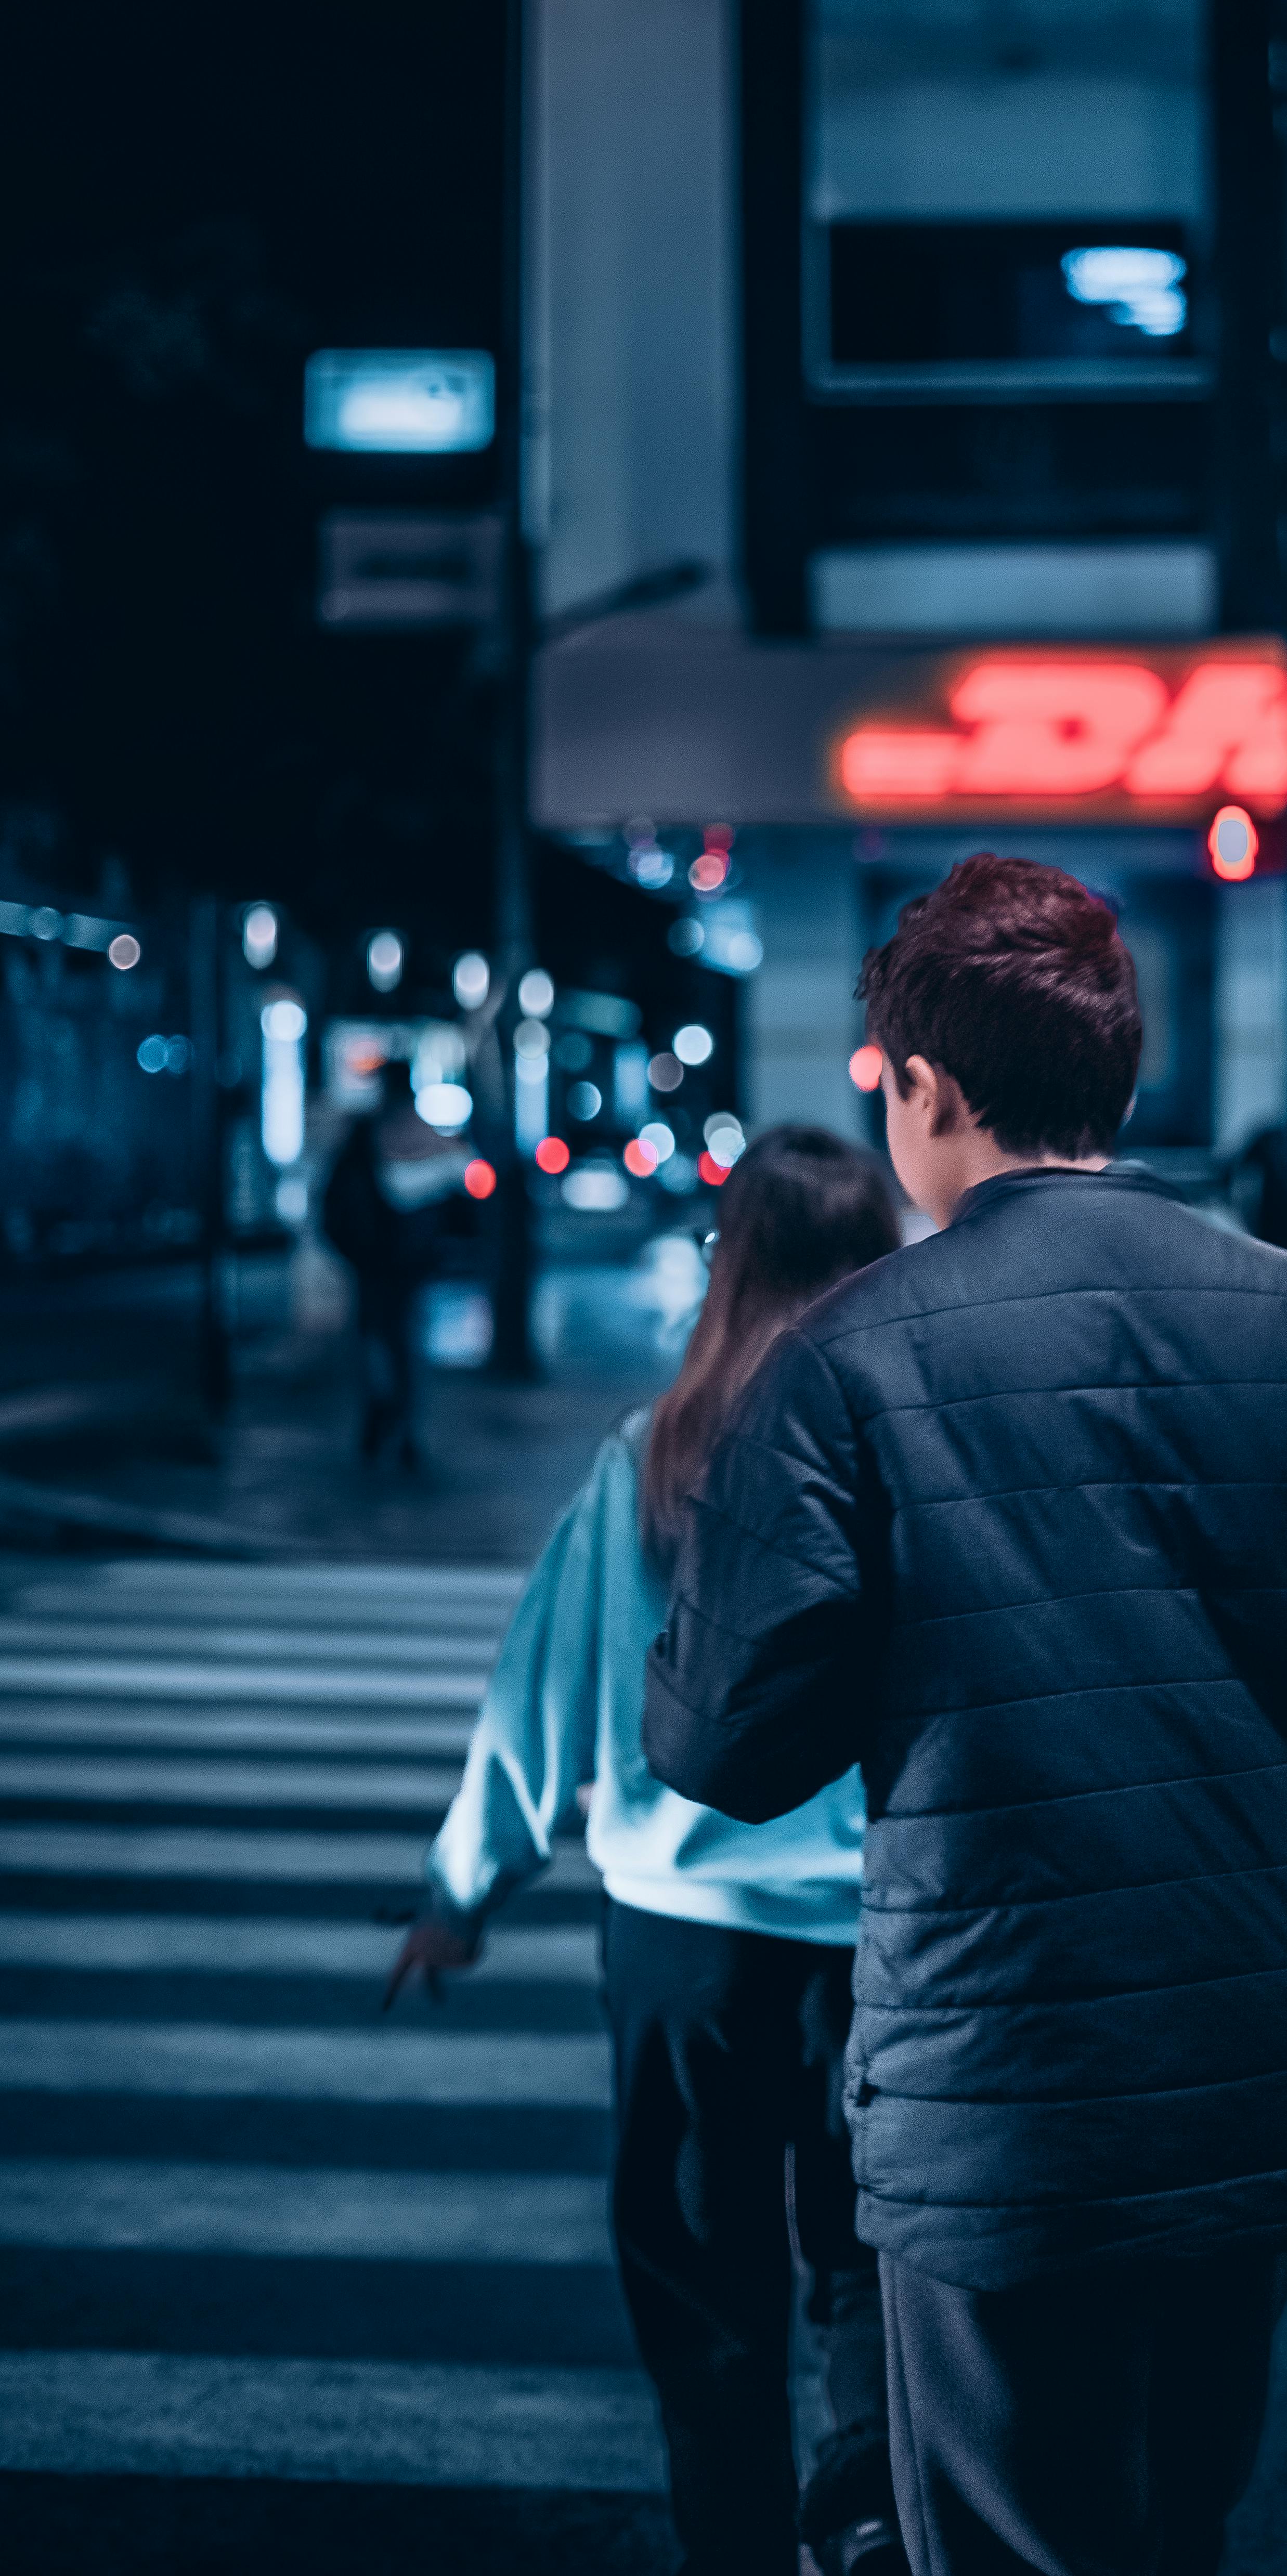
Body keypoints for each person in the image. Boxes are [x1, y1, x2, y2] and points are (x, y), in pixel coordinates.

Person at [643, 855, 1287, 2576]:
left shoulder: (849, 1358)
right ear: (1114, 1087)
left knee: (1010, 2542)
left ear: (923, 1087)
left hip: (1000, 2089)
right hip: (1255, 2075)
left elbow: (721, 1743)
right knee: (1173, 2519)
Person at [386, 1124, 908, 2576]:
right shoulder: (908, 1452)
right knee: (872, 2255)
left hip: (683, 1938)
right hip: (877, 1939)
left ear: (728, 1262)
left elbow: (538, 1689)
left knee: (704, 2278)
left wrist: (462, 1883)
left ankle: (735, 2544)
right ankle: (869, 2505)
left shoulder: (653, 1457)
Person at [320, 1056, 466, 1465]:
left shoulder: (367, 1133)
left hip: (376, 1263)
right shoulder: (426, 1135)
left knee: (375, 1340)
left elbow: (335, 1197)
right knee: (402, 1345)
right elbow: (453, 1200)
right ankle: (400, 1427)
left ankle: (383, 1417)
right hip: (403, 1264)